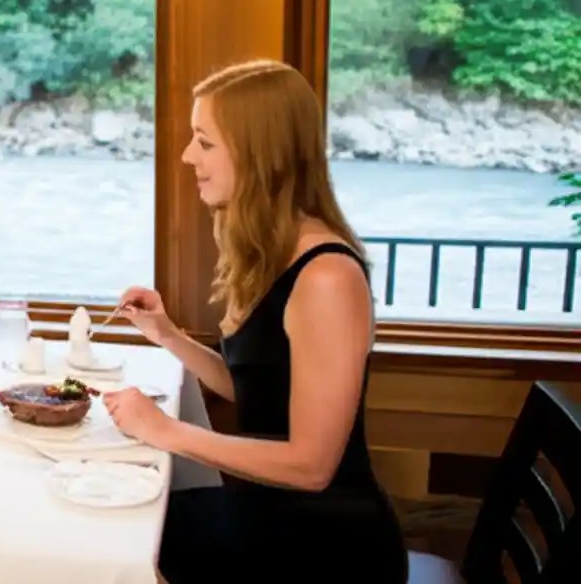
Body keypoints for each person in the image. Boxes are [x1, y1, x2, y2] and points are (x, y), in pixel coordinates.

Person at [103, 60, 408, 582]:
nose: (186, 156)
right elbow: (257, 391)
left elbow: (313, 466)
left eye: (204, 141)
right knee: (119, 528)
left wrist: (165, 431)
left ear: (257, 153)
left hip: (330, 547)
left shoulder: (327, 277)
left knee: (124, 550)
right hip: (272, 513)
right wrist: (168, 336)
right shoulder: (273, 253)